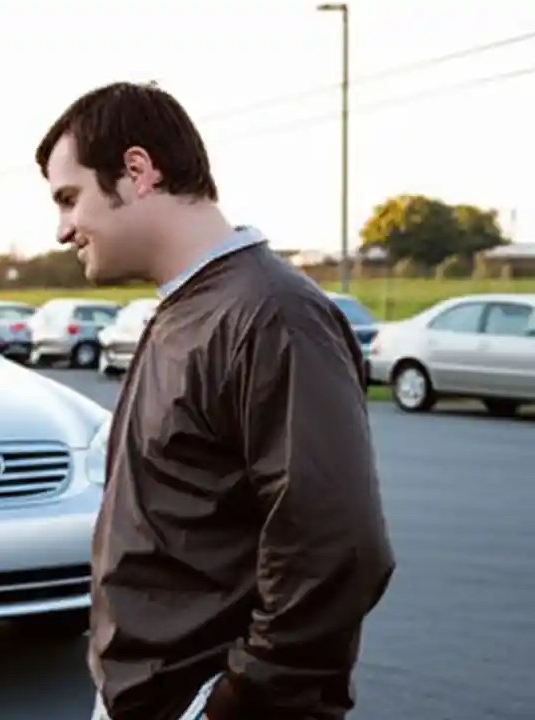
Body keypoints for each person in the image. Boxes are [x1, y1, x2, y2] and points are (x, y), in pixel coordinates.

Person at [34, 82, 395, 720]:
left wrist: (232, 703)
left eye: (70, 198)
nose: (63, 228)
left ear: (137, 171)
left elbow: (337, 551)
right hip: (143, 696)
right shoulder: (189, 308)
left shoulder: (271, 316)